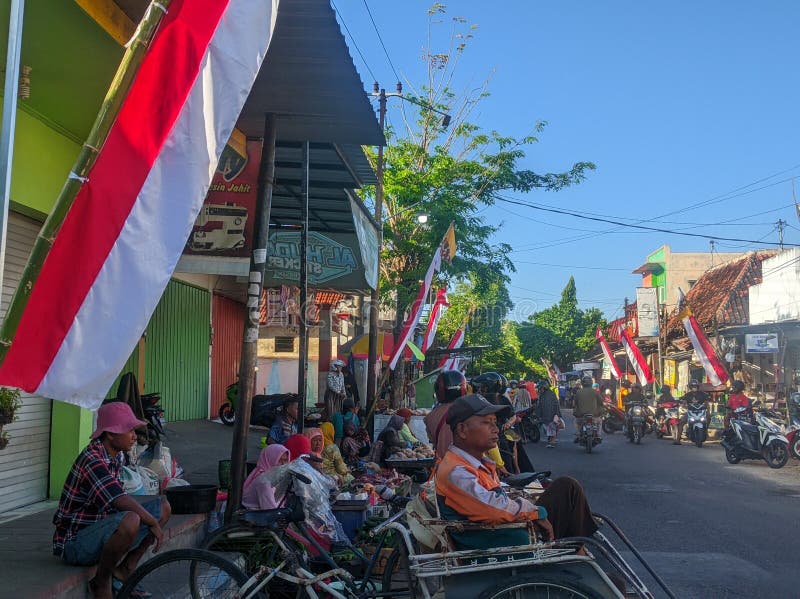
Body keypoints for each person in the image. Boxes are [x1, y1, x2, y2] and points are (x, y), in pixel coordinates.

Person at [434, 394, 598, 551]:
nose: (496, 428)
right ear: (462, 430)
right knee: (568, 488)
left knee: (565, 487)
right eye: (487, 422)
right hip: (502, 538)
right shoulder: (457, 472)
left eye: (495, 422)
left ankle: (578, 550)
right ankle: (578, 554)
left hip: (504, 527)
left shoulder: (472, 462)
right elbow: (492, 509)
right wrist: (535, 511)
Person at [53, 402, 171, 599]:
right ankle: (101, 582)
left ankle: (124, 571)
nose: (135, 436)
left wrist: (152, 518)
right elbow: (119, 500)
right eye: (129, 430)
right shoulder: (92, 459)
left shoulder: (116, 456)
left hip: (100, 529)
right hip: (75, 543)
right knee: (132, 519)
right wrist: (151, 522)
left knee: (163, 507)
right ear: (110, 434)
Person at [425, 370, 468, 460]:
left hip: (443, 468)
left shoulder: (429, 417)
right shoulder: (469, 411)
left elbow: (433, 441)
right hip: (465, 467)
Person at [242, 444, 290, 510]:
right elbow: (271, 511)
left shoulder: (272, 476)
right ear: (269, 460)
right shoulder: (265, 482)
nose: (283, 464)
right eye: (279, 460)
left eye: (285, 460)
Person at [320, 422, 354, 486]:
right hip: (331, 476)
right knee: (352, 480)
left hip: (319, 476)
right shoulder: (332, 447)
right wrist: (347, 471)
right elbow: (340, 468)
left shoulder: (317, 445)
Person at [573, 377, 603, 442]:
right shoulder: (595, 392)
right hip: (594, 415)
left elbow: (574, 404)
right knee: (600, 422)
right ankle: (598, 435)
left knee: (576, 421)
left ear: (582, 384)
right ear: (591, 383)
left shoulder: (578, 392)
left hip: (581, 416)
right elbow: (601, 402)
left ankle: (578, 435)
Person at [535, 380, 562, 448]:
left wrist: (538, 415)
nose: (539, 390)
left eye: (540, 388)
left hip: (550, 416)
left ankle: (552, 441)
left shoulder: (546, 395)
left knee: (550, 427)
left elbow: (543, 407)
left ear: (544, 388)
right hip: (552, 415)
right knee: (550, 428)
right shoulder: (550, 394)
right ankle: (552, 439)